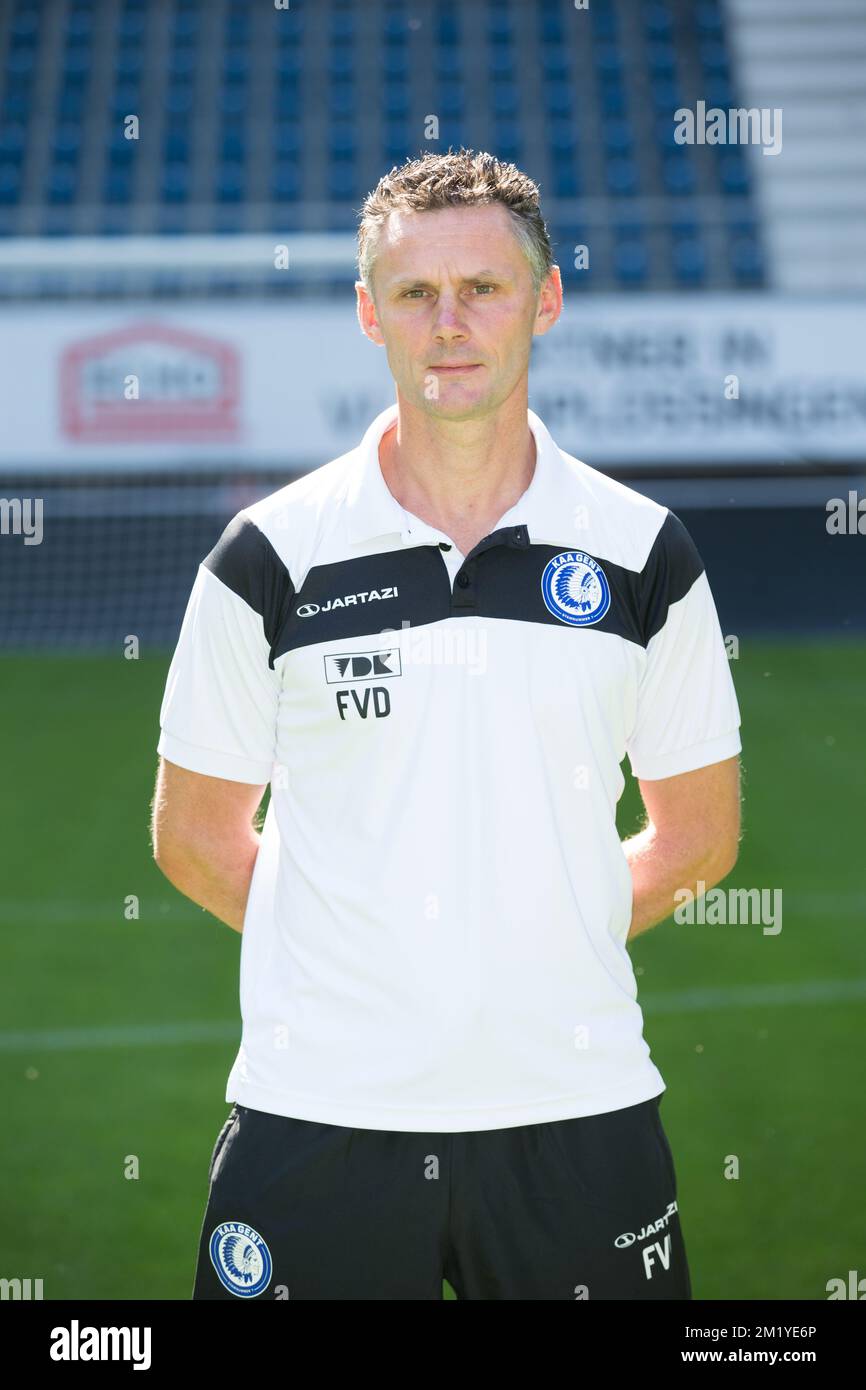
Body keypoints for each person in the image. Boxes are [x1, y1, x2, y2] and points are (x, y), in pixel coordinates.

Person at [151, 149, 741, 1300]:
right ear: (370, 313)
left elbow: (699, 835)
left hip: (576, 1114)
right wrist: (369, 960)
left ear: (546, 299)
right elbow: (194, 836)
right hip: (315, 1113)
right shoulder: (266, 555)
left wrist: (529, 940)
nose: (450, 323)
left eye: (483, 287)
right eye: (416, 294)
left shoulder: (642, 553)